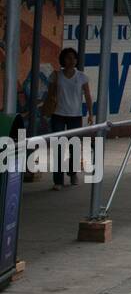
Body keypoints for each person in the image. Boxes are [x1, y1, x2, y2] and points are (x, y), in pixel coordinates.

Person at [46, 48, 92, 189]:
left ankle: (72, 173)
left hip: (75, 115)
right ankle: (58, 181)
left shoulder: (82, 77)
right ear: (63, 60)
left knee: (74, 147)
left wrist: (91, 113)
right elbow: (50, 95)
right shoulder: (56, 75)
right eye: (68, 58)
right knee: (58, 148)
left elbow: (88, 96)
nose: (71, 61)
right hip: (58, 115)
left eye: (74, 58)